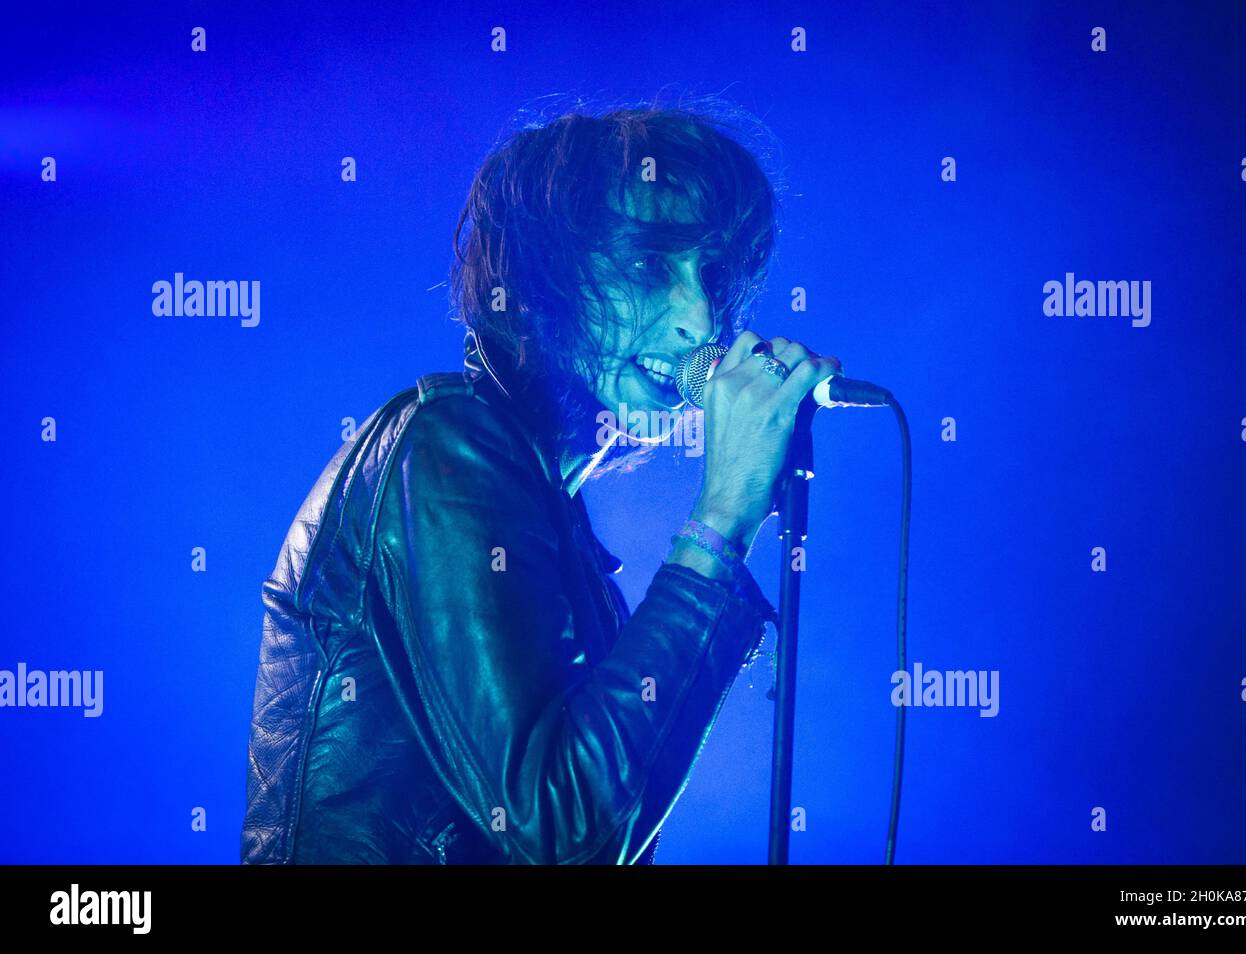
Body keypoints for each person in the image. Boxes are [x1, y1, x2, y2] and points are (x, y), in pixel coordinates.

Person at [239, 102, 842, 864]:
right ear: (542, 278)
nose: (701, 318)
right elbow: (553, 827)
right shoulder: (446, 445)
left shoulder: (564, 539)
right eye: (653, 266)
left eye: (710, 275)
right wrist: (723, 516)